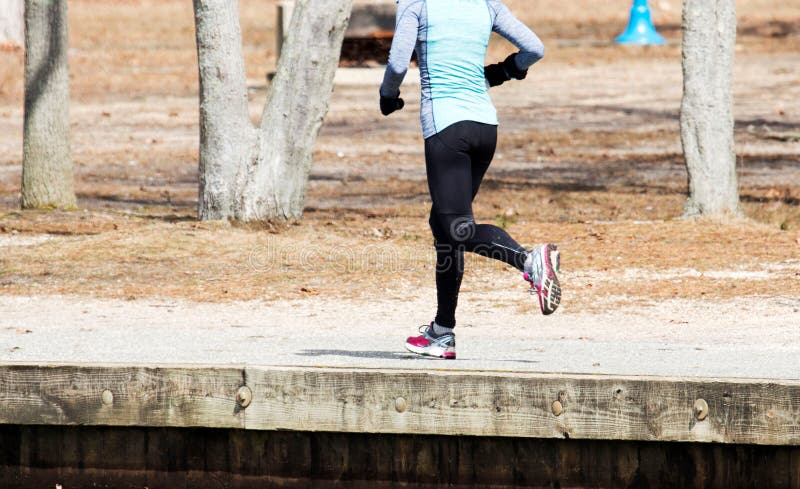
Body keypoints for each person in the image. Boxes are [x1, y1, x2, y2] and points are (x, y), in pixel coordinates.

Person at [380, 0, 561, 359]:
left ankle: (528, 261)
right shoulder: (485, 3)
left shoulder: (416, 4)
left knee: (456, 227)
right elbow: (534, 48)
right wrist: (505, 70)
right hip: (485, 127)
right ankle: (442, 332)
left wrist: (388, 95)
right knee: (444, 225)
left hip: (447, 127)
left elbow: (399, 62)